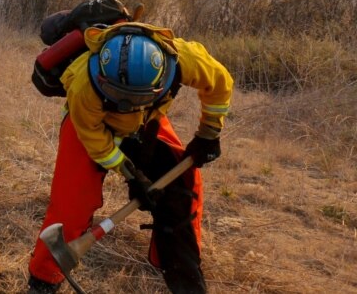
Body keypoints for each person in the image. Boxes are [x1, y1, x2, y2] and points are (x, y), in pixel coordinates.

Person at [26, 20, 233, 294]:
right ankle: (42, 282)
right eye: (117, 96)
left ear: (162, 78)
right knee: (71, 206)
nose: (124, 104)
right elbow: (97, 143)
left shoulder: (184, 58)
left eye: (131, 98)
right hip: (89, 127)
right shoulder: (83, 86)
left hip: (146, 122)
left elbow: (220, 82)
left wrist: (209, 132)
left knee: (183, 188)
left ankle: (185, 281)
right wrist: (132, 174)